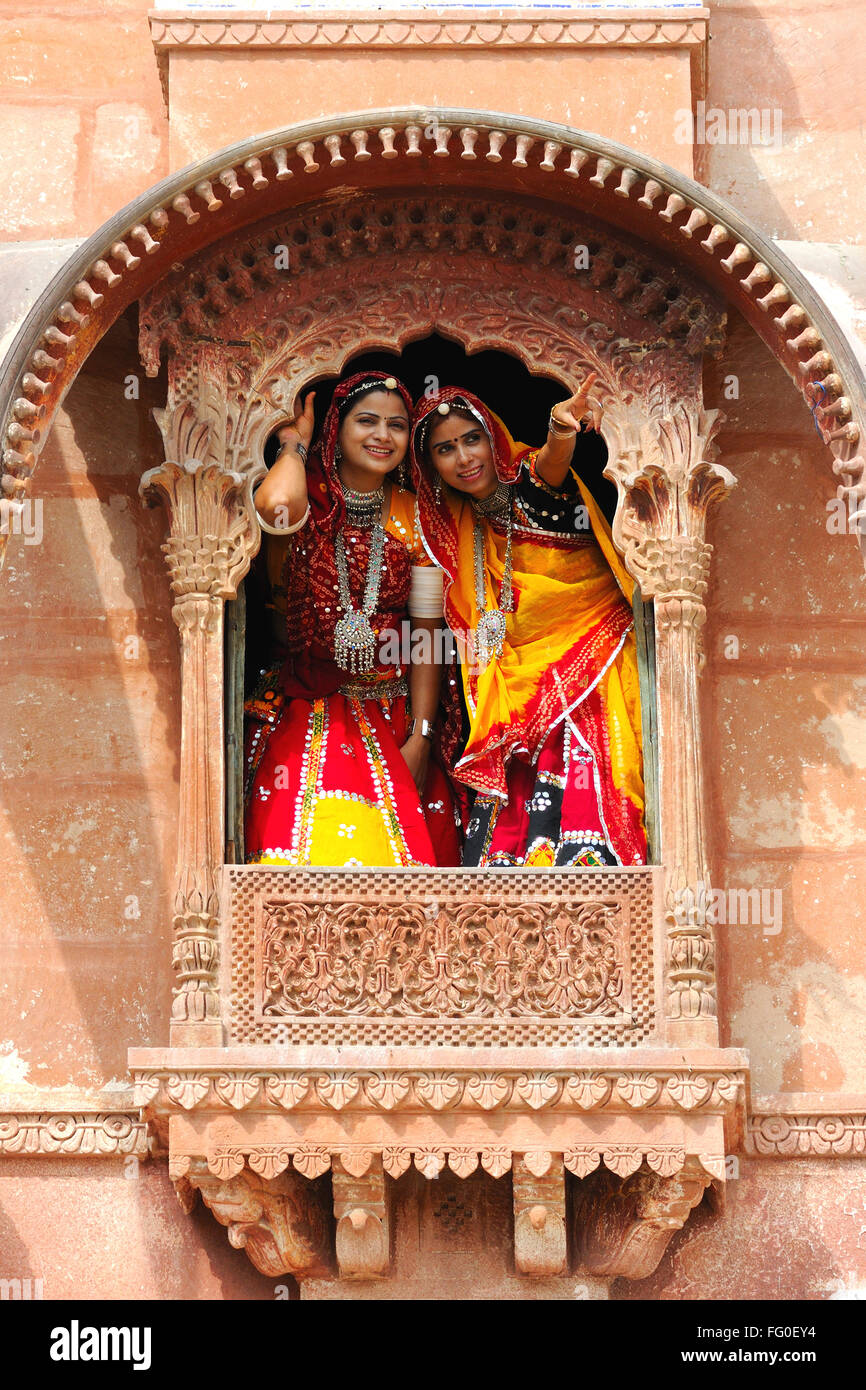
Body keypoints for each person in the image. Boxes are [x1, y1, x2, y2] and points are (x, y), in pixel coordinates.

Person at [410, 378, 646, 868]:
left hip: (595, 653)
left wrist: (561, 429)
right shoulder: (449, 526)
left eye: (472, 439)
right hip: (518, 676)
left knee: (586, 764)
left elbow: (551, 465)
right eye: (445, 449)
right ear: (431, 465)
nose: (464, 458)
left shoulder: (528, 480)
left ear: (493, 437)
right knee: (516, 773)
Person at [244, 370, 460, 867]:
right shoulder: (308, 497)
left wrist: (422, 736)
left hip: (390, 713)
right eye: (366, 421)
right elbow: (276, 506)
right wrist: (295, 444)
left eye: (397, 425)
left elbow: (426, 634)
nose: (382, 436)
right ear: (337, 429)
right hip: (303, 702)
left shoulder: (418, 515)